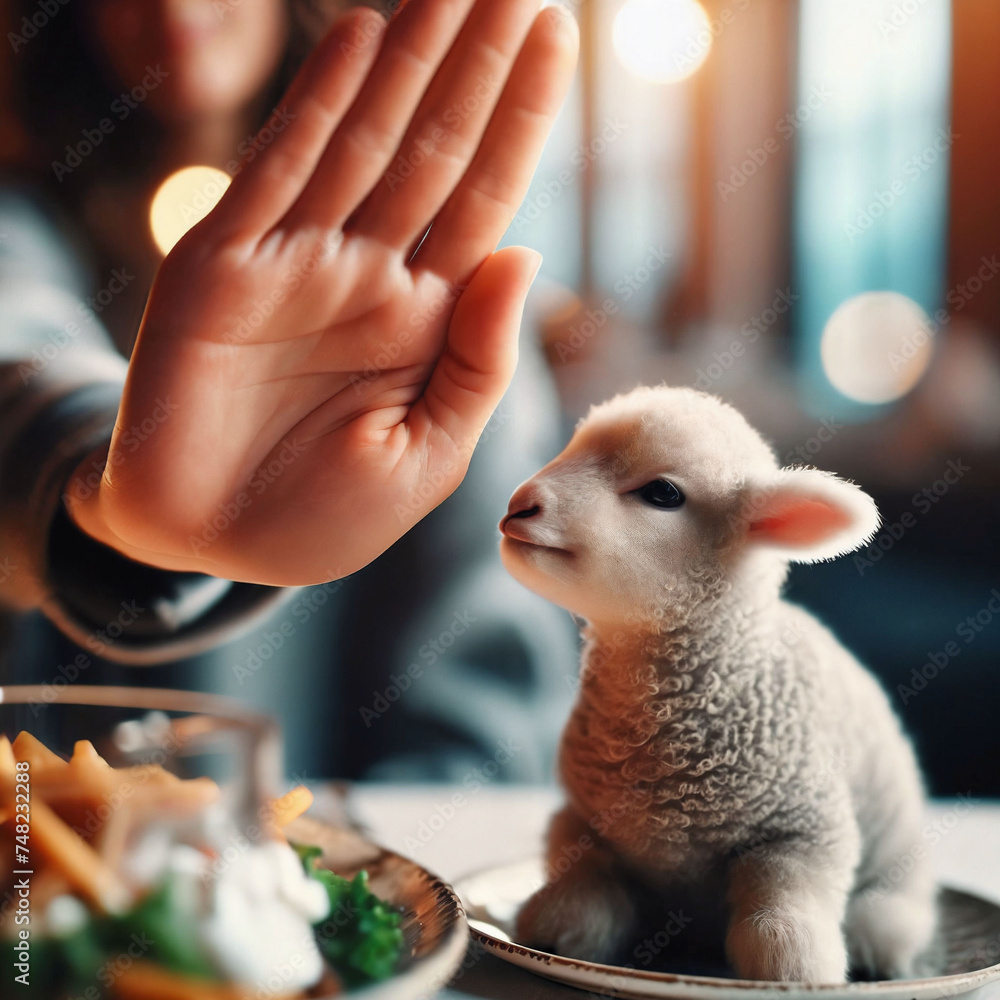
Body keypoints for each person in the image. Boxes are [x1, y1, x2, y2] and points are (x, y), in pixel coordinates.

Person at [0, 0, 581, 778]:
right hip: (36, 878)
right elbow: (19, 360)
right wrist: (107, 499)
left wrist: (350, 883)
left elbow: (482, 727)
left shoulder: (418, 289)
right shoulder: (25, 224)